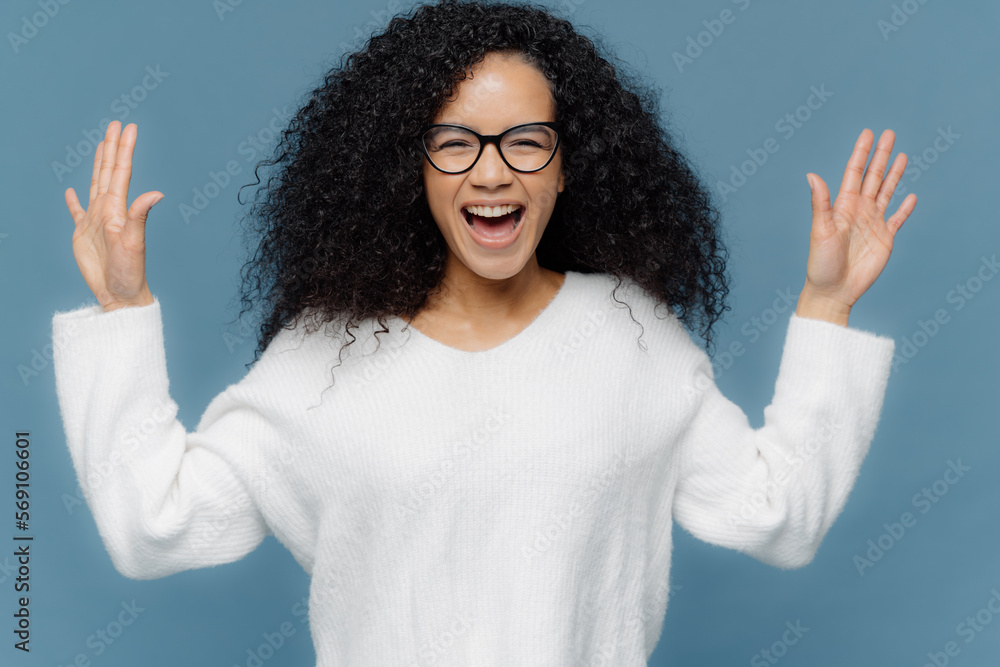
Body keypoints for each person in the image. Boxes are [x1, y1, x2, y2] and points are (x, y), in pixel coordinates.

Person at [52, 1, 916, 664]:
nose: (493, 170)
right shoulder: (323, 357)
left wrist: (826, 307)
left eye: (526, 141)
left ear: (567, 163)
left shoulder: (633, 341)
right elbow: (151, 525)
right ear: (413, 165)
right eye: (455, 142)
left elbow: (779, 515)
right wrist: (125, 312)